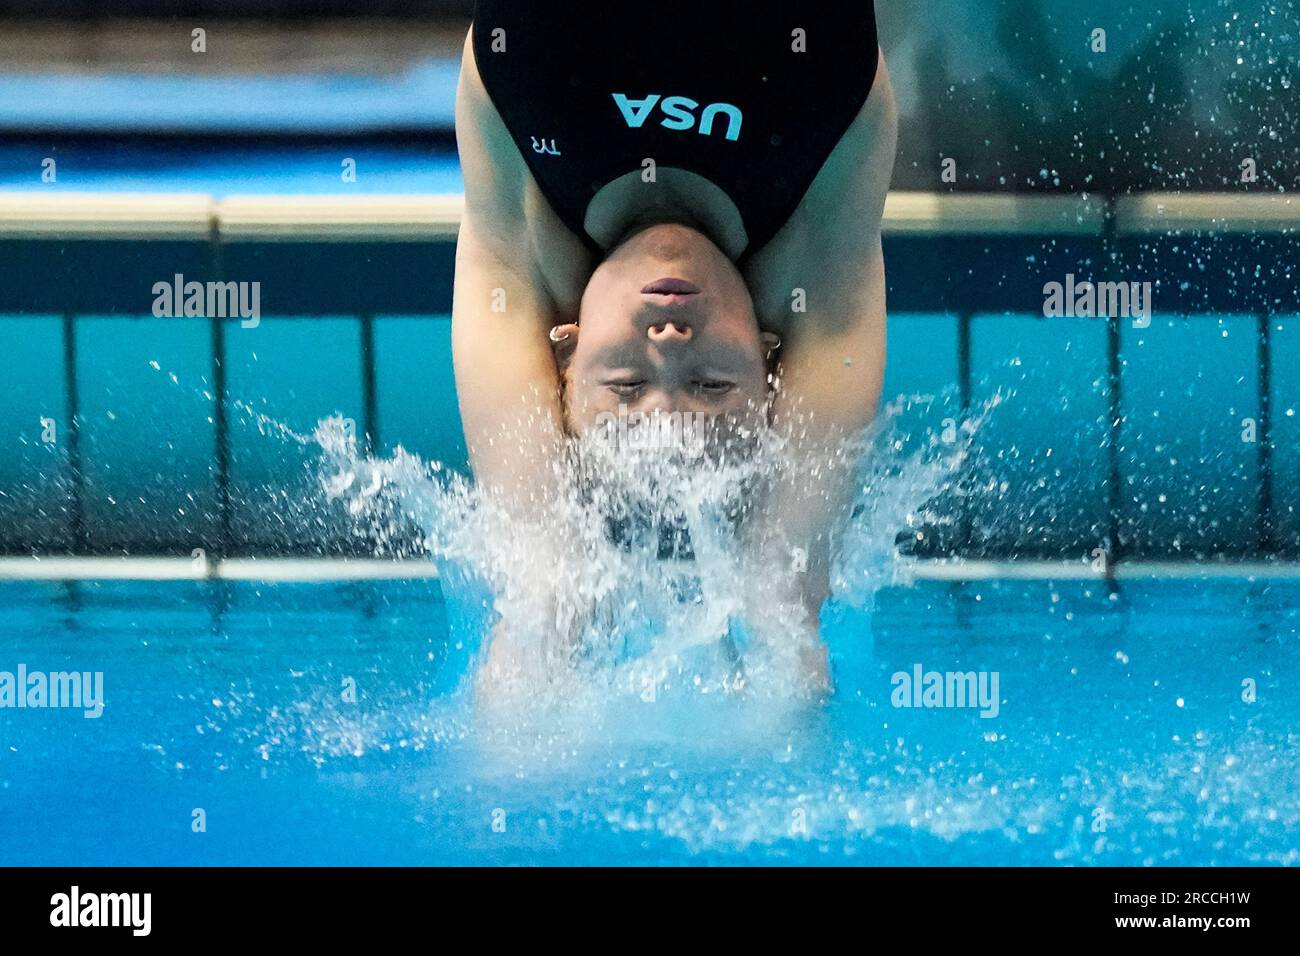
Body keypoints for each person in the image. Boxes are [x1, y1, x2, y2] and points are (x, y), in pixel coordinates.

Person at [453, 1, 897, 690]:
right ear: (771, 356)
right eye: (712, 384)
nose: (667, 343)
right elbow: (786, 620)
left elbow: (538, 614)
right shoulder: (815, 230)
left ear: (565, 356)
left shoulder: (528, 220)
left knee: (548, 601)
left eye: (627, 384)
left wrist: (544, 612)